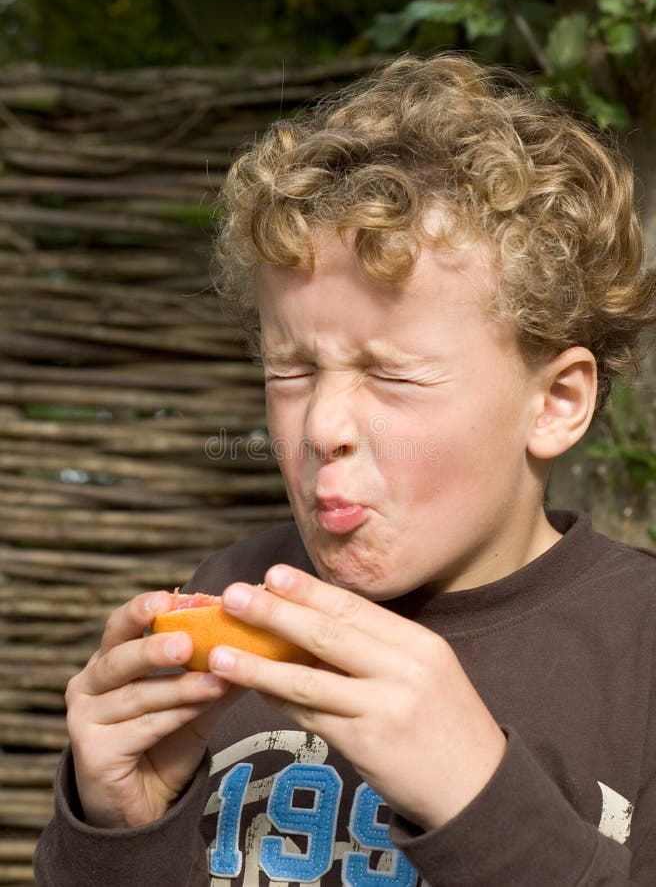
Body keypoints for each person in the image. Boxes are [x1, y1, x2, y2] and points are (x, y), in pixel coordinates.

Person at [34, 53, 656, 886]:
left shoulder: (640, 653)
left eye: (392, 374)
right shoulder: (232, 590)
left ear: (555, 403)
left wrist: (480, 797)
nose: (321, 426)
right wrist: (118, 832)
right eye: (289, 371)